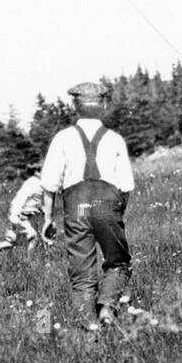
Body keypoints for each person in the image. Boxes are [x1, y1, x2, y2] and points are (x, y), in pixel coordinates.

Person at [40, 81, 134, 328]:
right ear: (103, 106)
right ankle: (107, 307)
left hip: (76, 207)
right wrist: (116, 212)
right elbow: (126, 186)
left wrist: (47, 219)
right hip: (108, 204)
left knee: (82, 273)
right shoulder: (114, 140)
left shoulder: (62, 138)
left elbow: (49, 184)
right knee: (118, 262)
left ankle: (89, 327)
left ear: (75, 107)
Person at [0, 164, 54, 261]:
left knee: (11, 242)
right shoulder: (32, 183)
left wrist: (42, 212)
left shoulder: (39, 184)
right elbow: (20, 199)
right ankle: (29, 262)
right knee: (34, 237)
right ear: (37, 172)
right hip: (19, 216)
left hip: (23, 216)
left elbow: (36, 202)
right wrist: (15, 215)